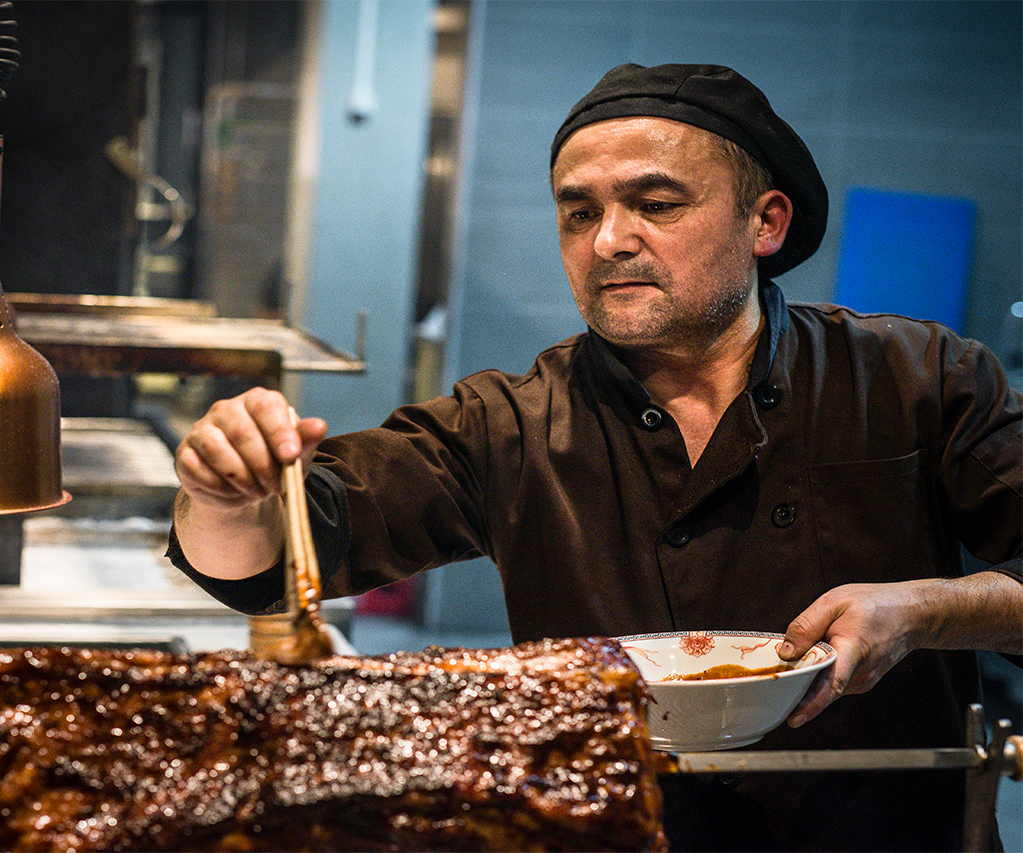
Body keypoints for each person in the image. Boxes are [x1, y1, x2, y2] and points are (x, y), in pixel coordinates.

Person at [169, 63, 1022, 851]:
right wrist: (225, 493)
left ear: (765, 221)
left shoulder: (918, 377)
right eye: (580, 212)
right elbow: (276, 558)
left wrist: (927, 609)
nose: (609, 239)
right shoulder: (510, 420)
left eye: (656, 204)